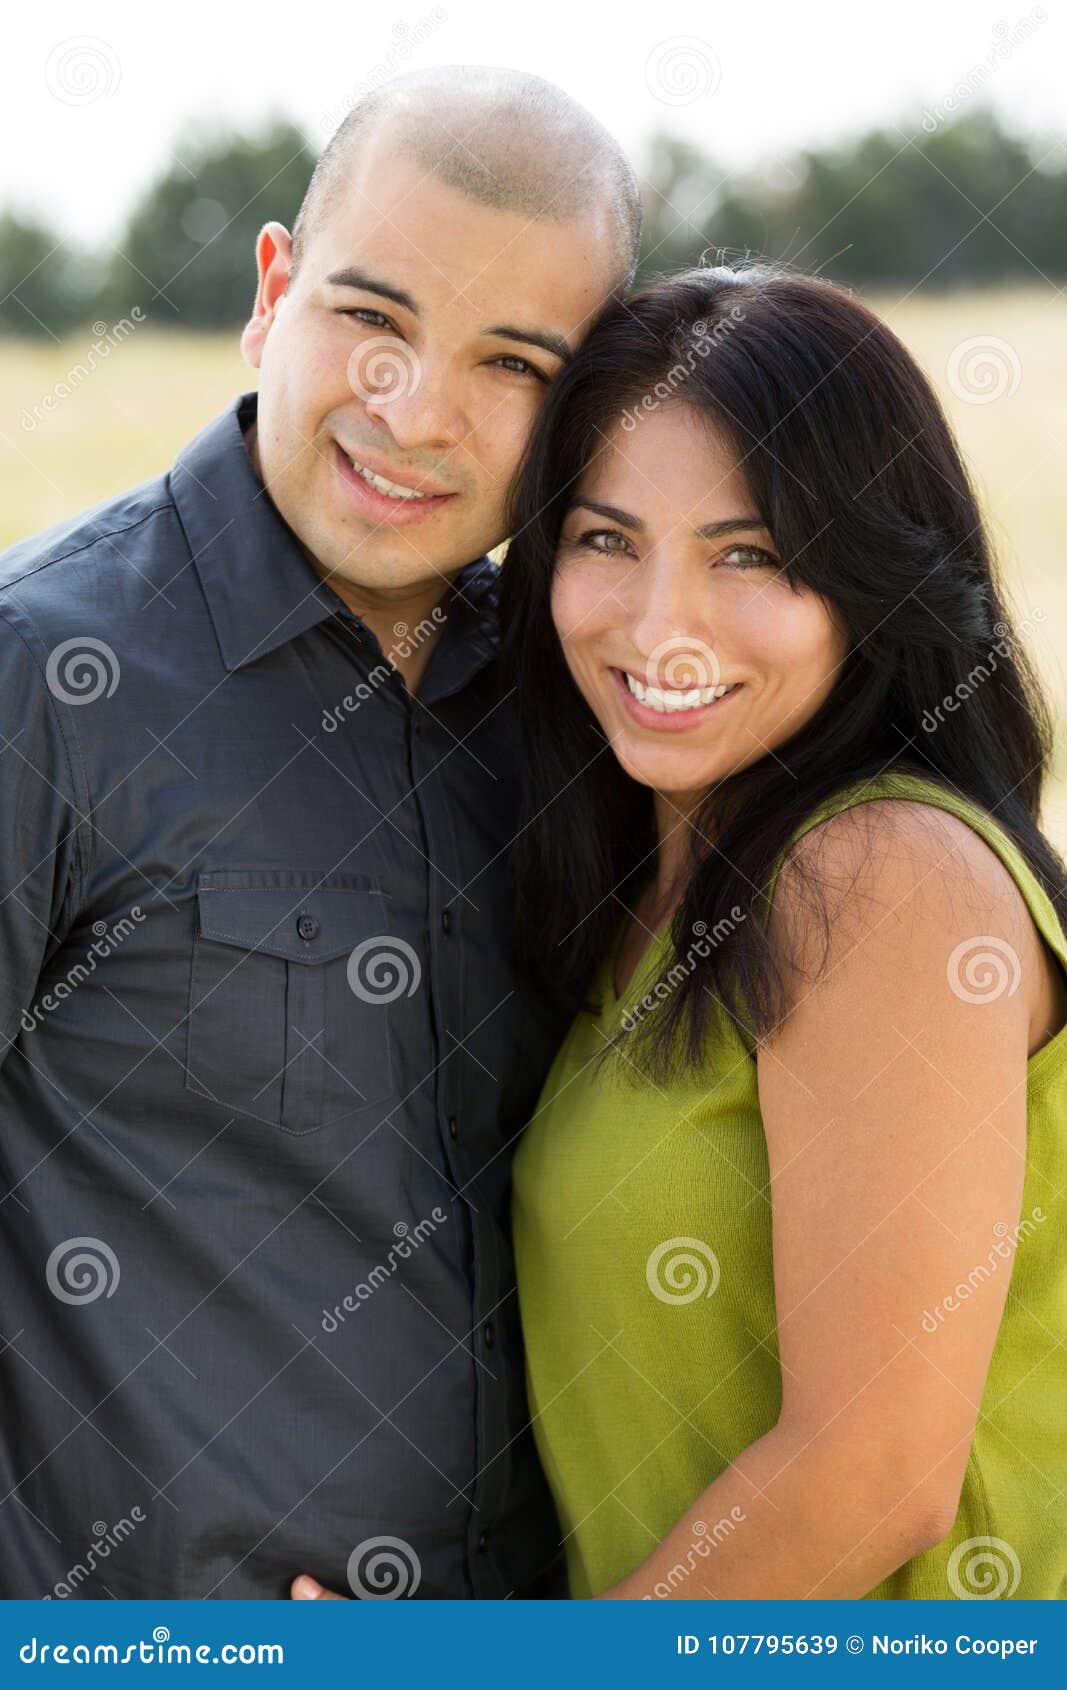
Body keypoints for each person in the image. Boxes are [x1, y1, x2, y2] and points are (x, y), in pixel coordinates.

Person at [0, 65, 638, 1599]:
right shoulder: (44, 676)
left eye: (512, 363)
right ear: (274, 288)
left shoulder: (586, 713)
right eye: (375, 318)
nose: (416, 413)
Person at [506, 264, 1067, 1600]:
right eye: (605, 538)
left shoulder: (880, 876)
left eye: (748, 554)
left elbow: (867, 1473)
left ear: (869, 577)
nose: (660, 625)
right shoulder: (647, 889)